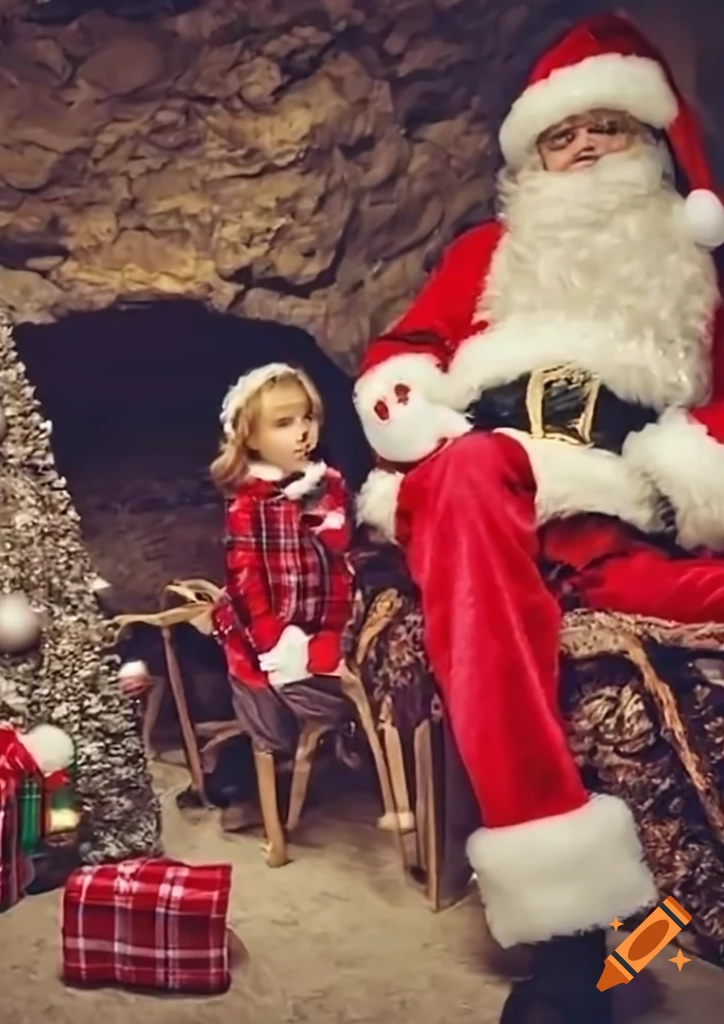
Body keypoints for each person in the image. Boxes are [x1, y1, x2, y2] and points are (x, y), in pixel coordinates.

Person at [352, 13, 724, 1024]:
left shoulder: (691, 277)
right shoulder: (485, 252)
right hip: (478, 492)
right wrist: (412, 407)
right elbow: (399, 355)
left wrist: (682, 476)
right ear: (532, 155)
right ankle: (566, 936)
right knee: (470, 473)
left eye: (608, 126)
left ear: (650, 144)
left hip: (617, 527)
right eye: (561, 134)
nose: (584, 146)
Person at [208, 363, 353, 756]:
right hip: (268, 635)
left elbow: (340, 566)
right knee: (273, 712)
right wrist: (272, 640)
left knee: (343, 692)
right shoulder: (248, 500)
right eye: (284, 422)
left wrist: (329, 633)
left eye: (308, 417)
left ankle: (340, 741)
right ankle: (251, 759)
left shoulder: (328, 485)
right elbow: (244, 576)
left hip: (320, 625)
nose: (304, 431)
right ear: (250, 436)